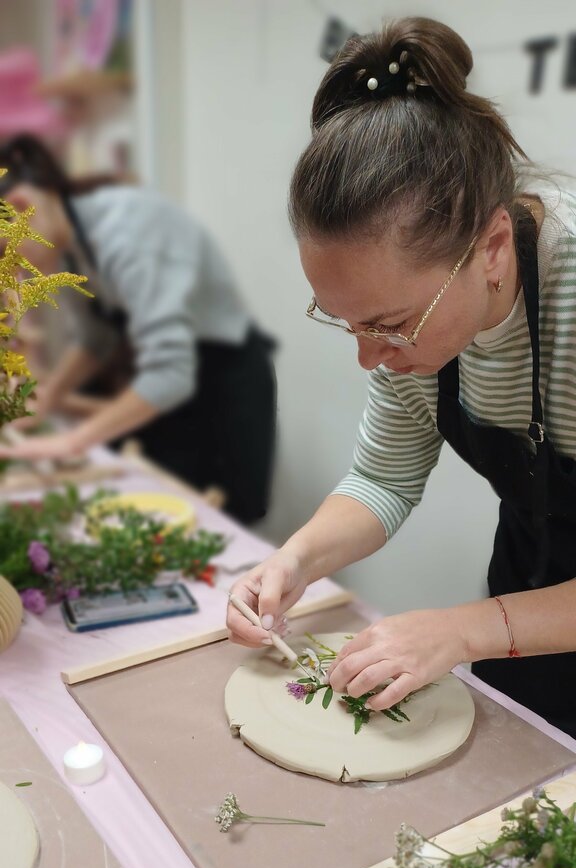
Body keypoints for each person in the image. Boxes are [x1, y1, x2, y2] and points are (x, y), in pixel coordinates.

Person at [227, 16, 576, 736]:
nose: (369, 356)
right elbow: (383, 480)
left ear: (493, 248)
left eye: (388, 324)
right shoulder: (416, 327)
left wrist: (464, 630)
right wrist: (295, 561)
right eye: (346, 322)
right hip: (532, 587)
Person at [0, 135, 277, 524]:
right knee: (164, 507)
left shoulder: (127, 230)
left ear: (21, 209)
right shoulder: (72, 245)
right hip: (174, 381)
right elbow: (96, 339)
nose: (12, 269)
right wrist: (47, 396)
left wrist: (73, 439)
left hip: (223, 379)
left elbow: (171, 372)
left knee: (222, 521)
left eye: (6, 254)